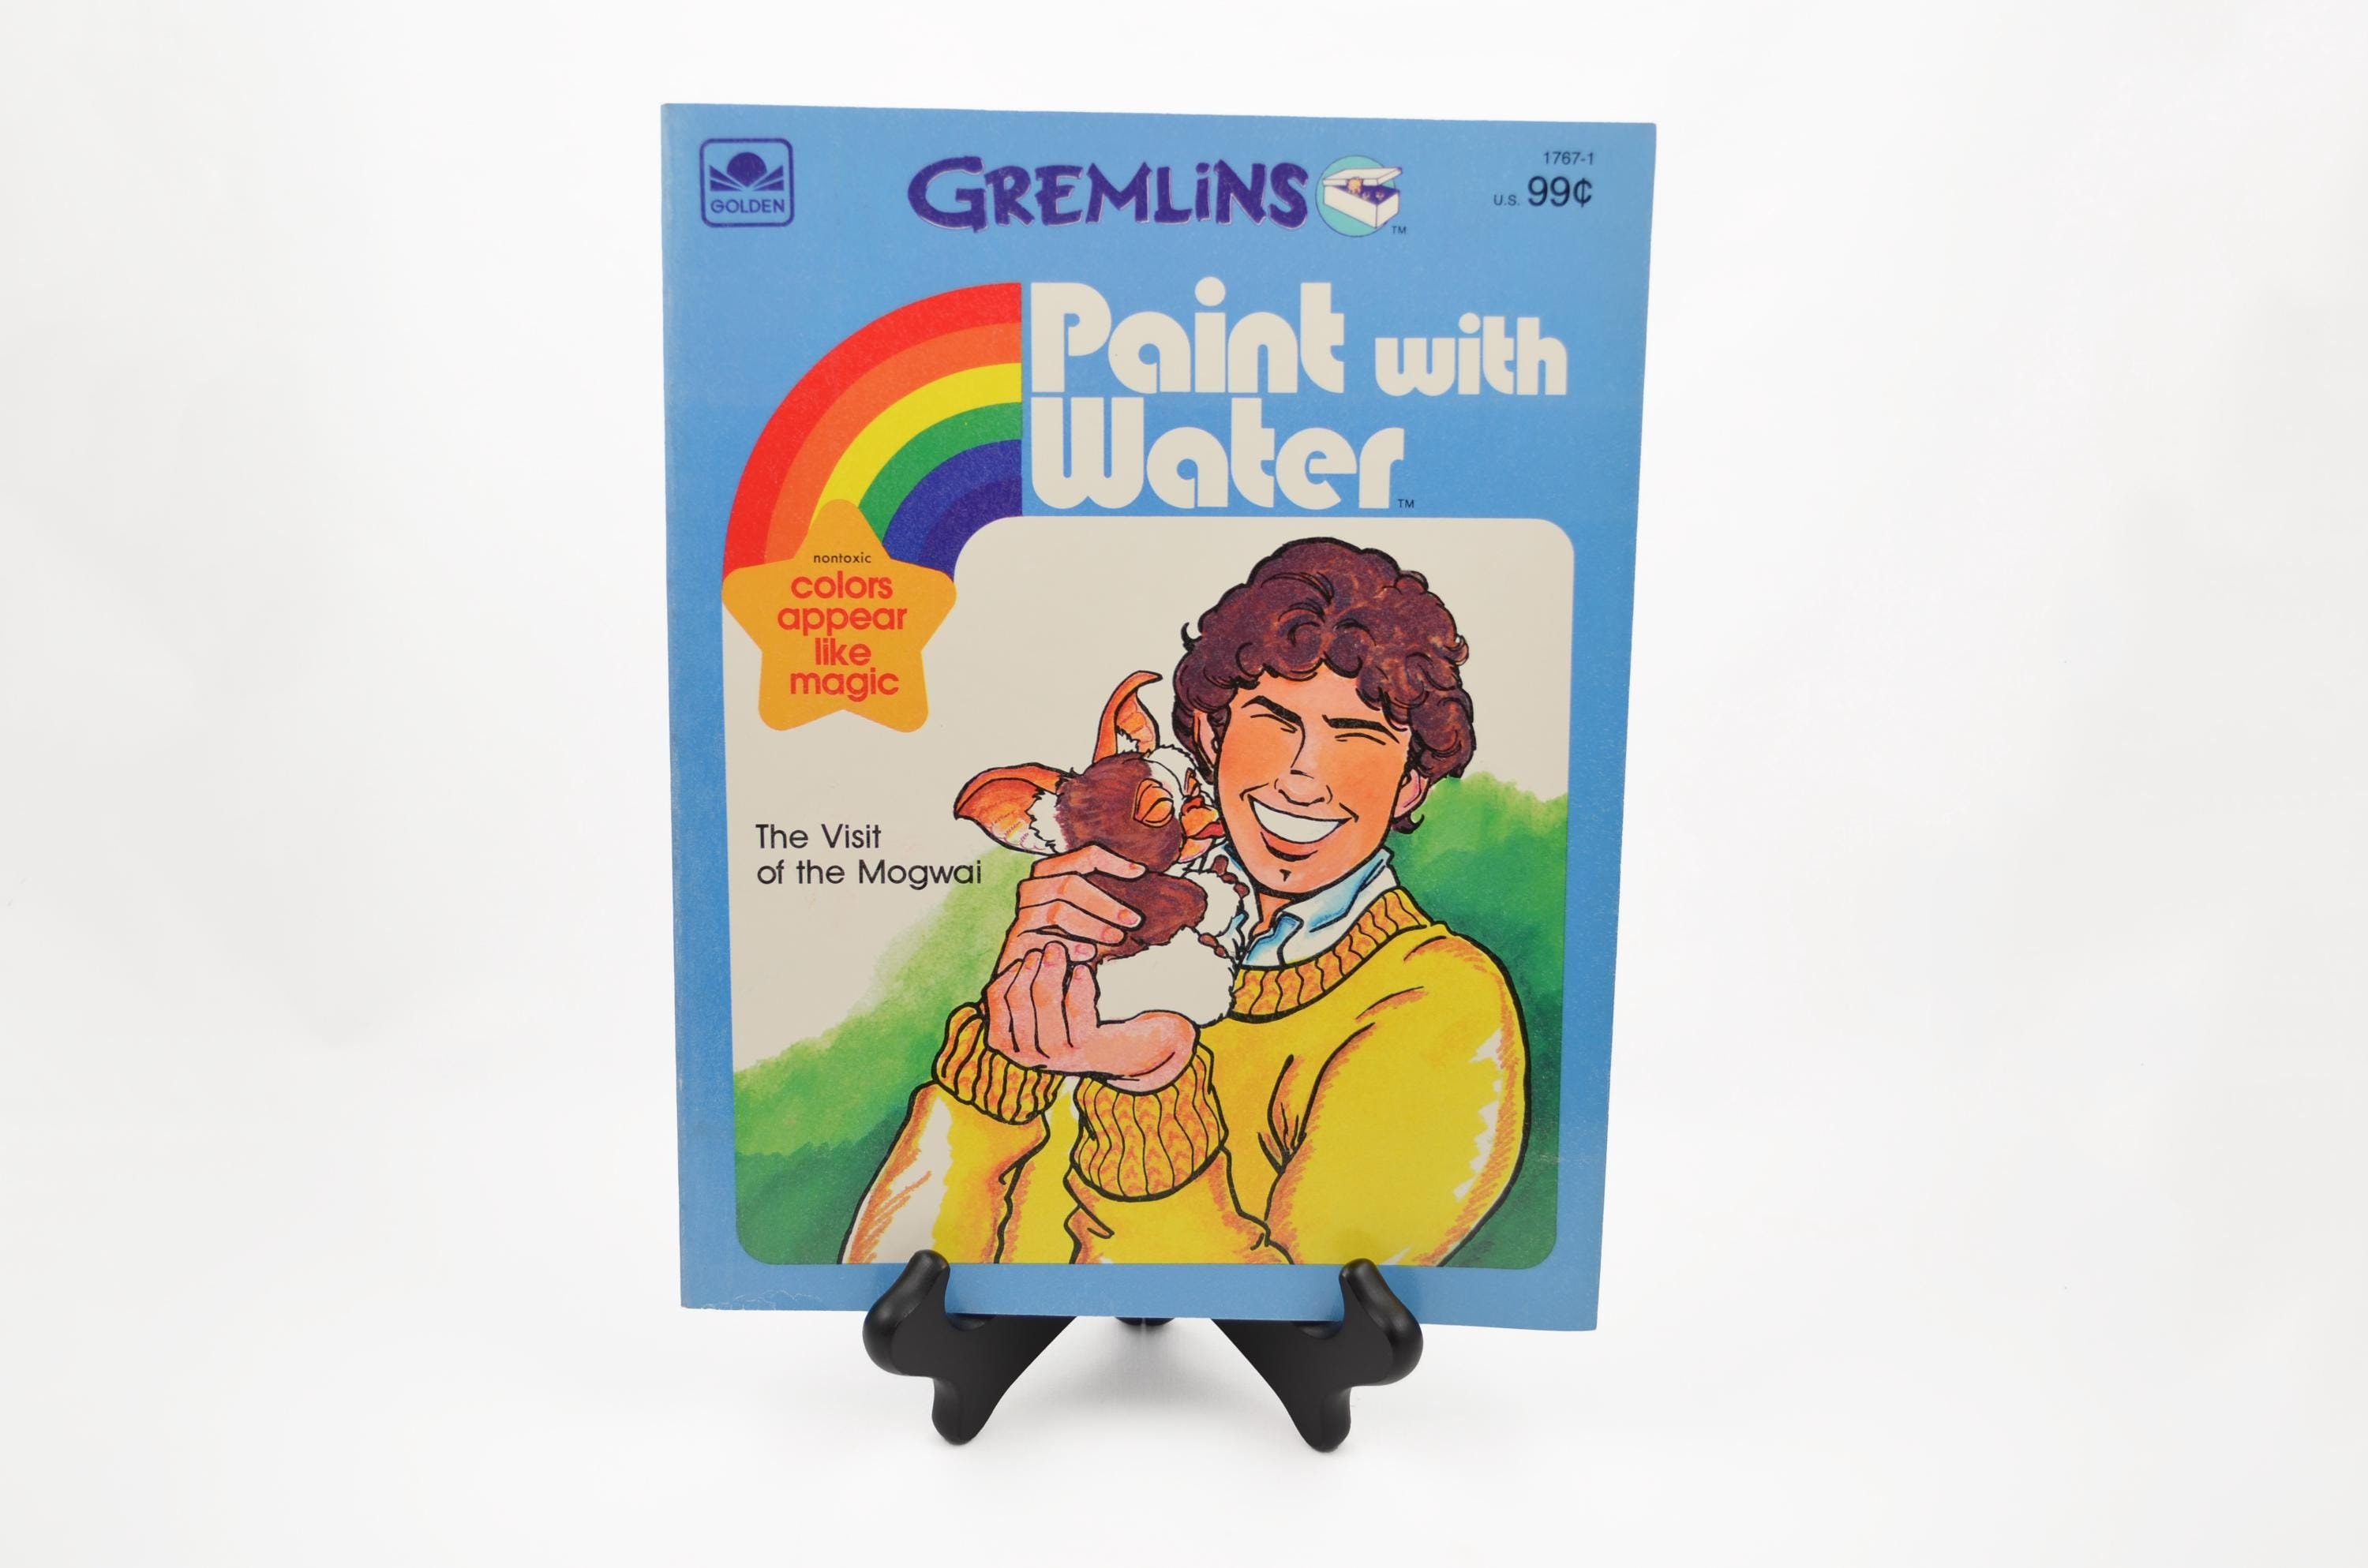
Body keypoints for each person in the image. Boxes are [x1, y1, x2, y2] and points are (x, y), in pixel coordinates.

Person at [844, 538, 1527, 1266]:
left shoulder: (1441, 1002)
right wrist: (1003, 1056)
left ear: (1411, 785)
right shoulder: (1118, 920)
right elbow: (890, 1276)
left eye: (1354, 738)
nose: (1303, 777)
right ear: (1209, 733)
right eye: (1276, 723)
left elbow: (1288, 1307)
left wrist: (1150, 1086)